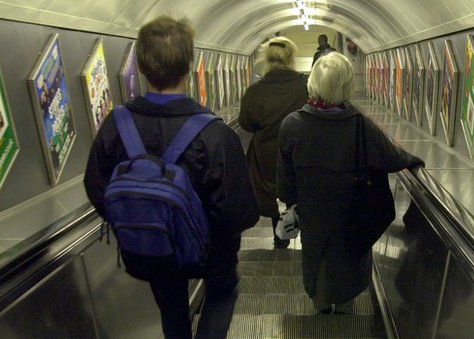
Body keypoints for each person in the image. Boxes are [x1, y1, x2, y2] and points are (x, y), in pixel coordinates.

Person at [83, 16, 258, 339]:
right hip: (210, 253)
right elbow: (239, 211)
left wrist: (143, 218)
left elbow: (96, 186)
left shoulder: (116, 124)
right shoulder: (215, 133)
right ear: (190, 65)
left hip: (154, 247)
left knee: (171, 306)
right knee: (224, 290)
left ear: (141, 66)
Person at [277, 52, 424, 314]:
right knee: (350, 261)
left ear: (313, 82)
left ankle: (321, 308)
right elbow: (390, 157)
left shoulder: (293, 124)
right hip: (352, 215)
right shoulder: (359, 124)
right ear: (346, 86)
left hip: (313, 214)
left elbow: (285, 177)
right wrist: (414, 161)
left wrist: (290, 203)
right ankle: (345, 310)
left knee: (316, 260)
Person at [238, 37, 309, 249]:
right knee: (298, 192)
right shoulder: (306, 86)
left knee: (274, 193)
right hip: (300, 152)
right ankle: (308, 242)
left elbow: (246, 123)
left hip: (268, 155)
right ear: (291, 58)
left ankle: (281, 238)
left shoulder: (255, 91)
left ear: (266, 60)